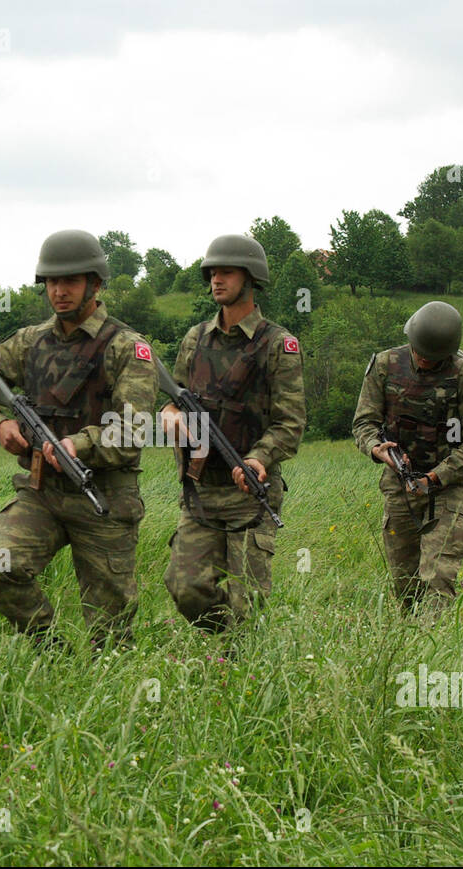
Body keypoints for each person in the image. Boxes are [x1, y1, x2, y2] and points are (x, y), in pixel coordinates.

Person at [0, 229, 156, 646]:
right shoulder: (30, 342)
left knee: (111, 633)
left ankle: (113, 692)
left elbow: (133, 428)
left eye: (70, 281)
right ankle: (51, 654)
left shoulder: (126, 347)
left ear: (95, 284)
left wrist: (77, 445)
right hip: (41, 491)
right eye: (51, 282)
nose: (59, 291)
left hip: (104, 497)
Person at [161, 234, 305, 633]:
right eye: (212, 273)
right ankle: (229, 642)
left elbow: (290, 422)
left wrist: (258, 457)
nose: (216, 280)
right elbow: (175, 394)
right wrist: (170, 415)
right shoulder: (195, 338)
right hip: (200, 490)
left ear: (250, 276)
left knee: (249, 601)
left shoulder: (279, 344)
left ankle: (240, 662)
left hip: (249, 493)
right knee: (184, 586)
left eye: (226, 272)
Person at [352, 301, 463, 610]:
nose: (425, 362)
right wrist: (376, 448)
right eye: (420, 354)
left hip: (448, 488)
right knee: (405, 586)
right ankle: (411, 649)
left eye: (433, 358)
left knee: (438, 579)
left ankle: (436, 650)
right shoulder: (385, 365)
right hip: (398, 484)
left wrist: (435, 477)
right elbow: (364, 422)